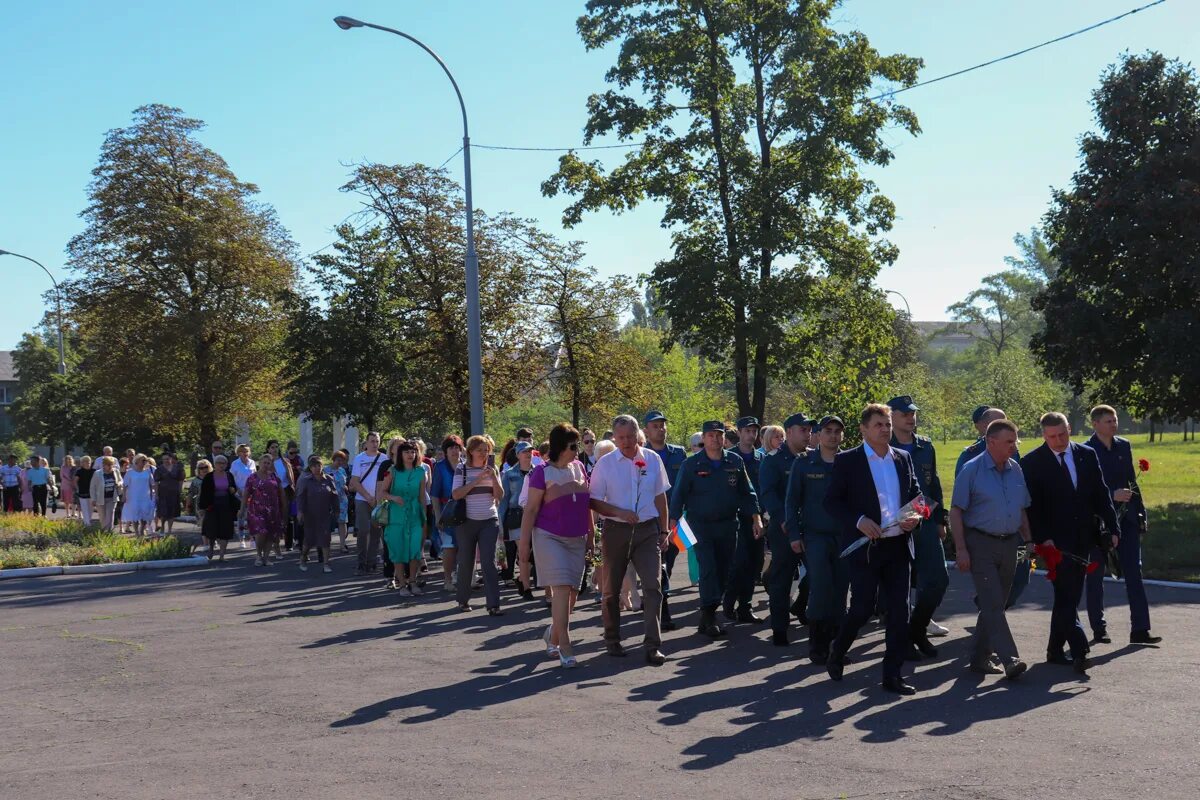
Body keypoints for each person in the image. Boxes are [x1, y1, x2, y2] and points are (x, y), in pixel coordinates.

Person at [824, 404, 923, 696]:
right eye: (878, 424)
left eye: (887, 424)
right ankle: (837, 649)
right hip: (867, 548)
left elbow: (917, 496)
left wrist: (915, 518)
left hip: (898, 546)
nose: (885, 429)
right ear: (864, 430)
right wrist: (859, 520)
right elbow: (831, 502)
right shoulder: (848, 461)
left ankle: (892, 676)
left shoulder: (902, 458)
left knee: (899, 611)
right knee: (862, 608)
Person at [1021, 411, 1121, 675]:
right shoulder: (1032, 462)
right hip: (1054, 542)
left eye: (1063, 434)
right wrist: (1043, 538)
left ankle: (1055, 650)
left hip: (1084, 537)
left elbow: (1101, 495)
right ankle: (1079, 650)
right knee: (1066, 594)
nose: (1058, 440)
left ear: (1069, 429)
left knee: (1069, 596)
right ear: (1044, 435)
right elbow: (1033, 508)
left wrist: (1113, 527)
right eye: (1052, 436)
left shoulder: (1086, 455)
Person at [949, 419, 1032, 679]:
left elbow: (1021, 509)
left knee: (996, 602)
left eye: (1015, 440)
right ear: (991, 441)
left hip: (1009, 543)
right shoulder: (971, 471)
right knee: (994, 602)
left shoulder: (1016, 469)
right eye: (1009, 441)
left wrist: (1029, 541)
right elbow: (956, 512)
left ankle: (978, 657)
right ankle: (1010, 659)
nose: (1014, 446)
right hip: (980, 543)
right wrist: (960, 549)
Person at [589, 414, 670, 665]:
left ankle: (652, 645)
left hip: (647, 530)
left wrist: (664, 530)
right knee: (611, 590)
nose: (625, 442)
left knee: (652, 586)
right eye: (620, 437)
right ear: (614, 438)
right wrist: (618, 513)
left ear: (638, 435)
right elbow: (593, 500)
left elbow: (660, 497)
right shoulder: (605, 464)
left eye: (629, 437)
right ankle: (612, 640)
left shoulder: (653, 460)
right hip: (616, 530)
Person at [670, 420, 762, 640]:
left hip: (728, 524)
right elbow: (679, 494)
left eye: (719, 435)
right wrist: (672, 523)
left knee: (723, 569)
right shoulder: (691, 464)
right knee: (709, 567)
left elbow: (747, 493)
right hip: (700, 525)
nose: (715, 439)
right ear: (704, 437)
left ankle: (708, 615)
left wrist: (756, 518)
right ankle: (709, 614)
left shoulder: (734, 461)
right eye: (710, 435)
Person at [519, 423, 594, 668]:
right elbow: (530, 511)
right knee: (561, 589)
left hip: (577, 537)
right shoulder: (541, 473)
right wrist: (523, 550)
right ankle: (565, 645)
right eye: (574, 446)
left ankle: (552, 634)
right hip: (549, 536)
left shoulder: (580, 468)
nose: (578, 450)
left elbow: (587, 506)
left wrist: (592, 536)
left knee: (572, 593)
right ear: (561, 447)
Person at [1085, 405, 1161, 645]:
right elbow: (1085, 489)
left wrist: (1141, 514)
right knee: (1095, 575)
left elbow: (1132, 482)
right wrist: (1111, 495)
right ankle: (1099, 628)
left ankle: (1140, 629)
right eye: (1108, 421)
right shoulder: (1086, 450)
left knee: (1133, 572)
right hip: (1099, 523)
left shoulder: (1124, 446)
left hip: (1126, 519)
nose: (1113, 424)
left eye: (1115, 420)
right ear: (1095, 424)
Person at [887, 395, 949, 659]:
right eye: (904, 414)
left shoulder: (925, 445)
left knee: (939, 579)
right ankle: (903, 642)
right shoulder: (881, 446)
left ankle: (917, 628)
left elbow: (932, 484)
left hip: (922, 519)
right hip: (892, 523)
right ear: (890, 417)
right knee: (898, 587)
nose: (911, 418)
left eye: (913, 413)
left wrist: (939, 520)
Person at [786, 415, 849, 662]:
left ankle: (837, 646)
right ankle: (817, 644)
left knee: (841, 590)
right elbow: (792, 501)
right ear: (818, 434)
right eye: (828, 431)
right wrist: (793, 534)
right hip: (816, 536)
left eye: (837, 431)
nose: (833, 435)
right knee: (821, 588)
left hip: (845, 536)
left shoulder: (850, 462)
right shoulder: (804, 463)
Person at [955, 407, 1029, 612]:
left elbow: (1020, 496)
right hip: (984, 536)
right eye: (995, 423)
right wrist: (962, 546)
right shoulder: (970, 459)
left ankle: (987, 615)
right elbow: (960, 503)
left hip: (1013, 533)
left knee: (1020, 581)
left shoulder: (1014, 457)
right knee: (994, 597)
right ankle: (992, 622)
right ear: (981, 427)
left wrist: (1028, 536)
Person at [758, 412, 814, 646]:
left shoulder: (813, 458)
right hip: (783, 528)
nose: (808, 434)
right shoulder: (772, 460)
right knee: (782, 579)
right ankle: (780, 628)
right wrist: (784, 521)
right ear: (789, 432)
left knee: (817, 573)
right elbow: (769, 494)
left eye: (810, 430)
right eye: (803, 430)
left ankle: (800, 604)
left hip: (811, 528)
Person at [643, 410, 688, 632]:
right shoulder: (642, 455)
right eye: (655, 426)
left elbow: (687, 485)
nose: (661, 429)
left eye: (662, 425)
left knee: (668, 564)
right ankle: (663, 610)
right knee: (658, 565)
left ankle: (654, 599)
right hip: (651, 518)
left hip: (676, 518)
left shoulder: (679, 453)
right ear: (646, 431)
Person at [450, 435, 504, 615]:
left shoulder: (493, 468)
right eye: (480, 450)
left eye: (486, 450)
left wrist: (493, 477)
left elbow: (499, 495)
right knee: (466, 562)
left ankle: (493, 604)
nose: (483, 453)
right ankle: (463, 600)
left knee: (489, 562)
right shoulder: (462, 469)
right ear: (470, 451)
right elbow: (456, 494)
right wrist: (478, 479)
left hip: (489, 520)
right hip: (467, 522)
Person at [725, 416, 766, 624]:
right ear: (739, 432)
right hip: (736, 517)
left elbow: (765, 489)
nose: (751, 435)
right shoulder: (729, 457)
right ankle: (728, 601)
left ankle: (745, 606)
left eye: (754, 431)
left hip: (758, 517)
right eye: (747, 431)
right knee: (738, 562)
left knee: (754, 563)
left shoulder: (762, 458)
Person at [378, 442, 428, 593]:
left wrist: (424, 518)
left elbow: (422, 498)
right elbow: (382, 492)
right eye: (407, 452)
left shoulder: (421, 472)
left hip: (414, 515)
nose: (410, 455)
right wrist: (393, 498)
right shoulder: (392, 471)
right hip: (396, 515)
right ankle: (401, 583)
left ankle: (412, 581)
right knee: (398, 549)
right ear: (400, 454)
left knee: (414, 549)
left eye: (413, 452)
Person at [348, 432, 385, 575]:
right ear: (366, 443)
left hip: (379, 500)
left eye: (377, 441)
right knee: (363, 530)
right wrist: (368, 497)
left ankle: (372, 563)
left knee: (376, 532)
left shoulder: (384, 458)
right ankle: (361, 563)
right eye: (372, 441)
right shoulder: (359, 458)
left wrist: (377, 498)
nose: (375, 444)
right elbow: (355, 481)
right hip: (362, 499)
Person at [430, 435, 464, 590]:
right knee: (449, 546)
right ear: (445, 451)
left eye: (457, 447)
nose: (454, 451)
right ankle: (447, 579)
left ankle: (464, 577)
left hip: (465, 510)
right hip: (447, 511)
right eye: (451, 448)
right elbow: (435, 494)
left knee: (464, 545)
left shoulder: (466, 465)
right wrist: (438, 516)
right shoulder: (440, 467)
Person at [297, 454, 339, 574]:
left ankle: (326, 563)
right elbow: (300, 497)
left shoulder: (329, 479)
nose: (316, 468)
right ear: (310, 468)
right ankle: (303, 558)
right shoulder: (306, 481)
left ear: (322, 466)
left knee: (326, 539)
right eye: (313, 466)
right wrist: (300, 511)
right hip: (310, 514)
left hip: (325, 514)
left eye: (319, 465)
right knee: (309, 540)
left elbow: (335, 496)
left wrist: (337, 510)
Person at [498, 442, 534, 582]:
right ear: (518, 454)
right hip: (516, 516)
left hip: (534, 515)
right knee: (524, 550)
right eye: (524, 451)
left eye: (530, 451)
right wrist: (500, 523)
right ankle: (525, 583)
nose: (528, 454)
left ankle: (522, 578)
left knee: (533, 551)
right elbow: (504, 499)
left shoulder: (538, 471)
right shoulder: (509, 474)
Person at [245, 453, 287, 567]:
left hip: (273, 510)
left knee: (270, 534)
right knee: (260, 533)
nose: (266, 465)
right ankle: (258, 555)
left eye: (269, 463)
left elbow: (281, 494)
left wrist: (284, 508)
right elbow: (246, 494)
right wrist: (242, 508)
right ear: (259, 463)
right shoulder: (252, 477)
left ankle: (266, 557)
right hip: (256, 510)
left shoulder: (274, 477)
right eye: (264, 462)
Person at [199, 455, 238, 561]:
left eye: (223, 463)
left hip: (226, 505)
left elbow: (234, 487)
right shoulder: (209, 477)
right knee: (212, 530)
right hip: (212, 506)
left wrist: (233, 489)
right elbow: (204, 493)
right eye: (219, 463)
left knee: (225, 530)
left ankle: (222, 555)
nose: (221, 465)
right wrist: (202, 507)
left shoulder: (229, 475)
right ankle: (211, 549)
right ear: (215, 464)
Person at [267, 440, 299, 551]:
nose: (275, 449)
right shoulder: (266, 463)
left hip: (286, 491)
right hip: (272, 492)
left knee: (288, 517)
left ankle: (288, 543)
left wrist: (293, 489)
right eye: (272, 447)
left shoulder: (285, 461)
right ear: (268, 449)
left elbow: (291, 479)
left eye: (276, 447)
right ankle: (273, 543)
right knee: (273, 517)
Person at [121, 454, 156, 537]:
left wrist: (152, 494)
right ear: (136, 461)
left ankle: (142, 529)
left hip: (145, 496)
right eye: (143, 460)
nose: (145, 462)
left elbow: (152, 484)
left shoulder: (148, 471)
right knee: (135, 515)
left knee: (144, 515)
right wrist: (124, 496)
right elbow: (125, 485)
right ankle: (136, 532)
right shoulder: (130, 472)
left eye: (145, 460)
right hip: (133, 496)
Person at [324, 450, 351, 554]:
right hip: (329, 499)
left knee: (342, 522)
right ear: (333, 459)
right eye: (338, 460)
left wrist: (345, 487)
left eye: (342, 460)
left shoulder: (342, 471)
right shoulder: (326, 470)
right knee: (327, 522)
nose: (340, 462)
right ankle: (326, 545)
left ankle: (342, 545)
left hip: (342, 499)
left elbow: (345, 483)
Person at [230, 444, 256, 545]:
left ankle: (252, 537)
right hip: (239, 493)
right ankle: (242, 539)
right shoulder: (235, 464)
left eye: (246, 451)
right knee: (241, 517)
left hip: (251, 493)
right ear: (238, 453)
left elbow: (255, 477)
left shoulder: (252, 462)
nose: (244, 453)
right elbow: (231, 479)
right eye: (242, 451)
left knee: (251, 516)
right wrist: (237, 490)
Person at [154, 452, 185, 535]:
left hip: (174, 492)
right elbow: (156, 482)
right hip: (163, 493)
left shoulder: (177, 468)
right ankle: (162, 528)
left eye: (167, 459)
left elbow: (181, 480)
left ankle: (170, 530)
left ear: (171, 459)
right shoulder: (159, 469)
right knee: (163, 512)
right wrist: (156, 494)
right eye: (164, 459)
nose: (166, 461)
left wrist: (180, 490)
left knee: (172, 512)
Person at [90, 456, 124, 531]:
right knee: (102, 516)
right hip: (100, 498)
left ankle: (109, 531)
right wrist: (93, 499)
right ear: (103, 465)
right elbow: (93, 487)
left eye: (111, 465)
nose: (110, 466)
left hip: (112, 497)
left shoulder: (116, 471)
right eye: (108, 465)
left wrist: (119, 483)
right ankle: (103, 530)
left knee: (110, 515)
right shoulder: (97, 473)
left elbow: (121, 480)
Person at [75, 456, 97, 525]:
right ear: (82, 463)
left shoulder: (94, 471)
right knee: (85, 508)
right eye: (86, 462)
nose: (88, 463)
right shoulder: (79, 471)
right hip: (82, 492)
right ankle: (87, 523)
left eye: (89, 462)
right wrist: (77, 488)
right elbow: (75, 481)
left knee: (91, 509)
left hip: (92, 492)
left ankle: (88, 521)